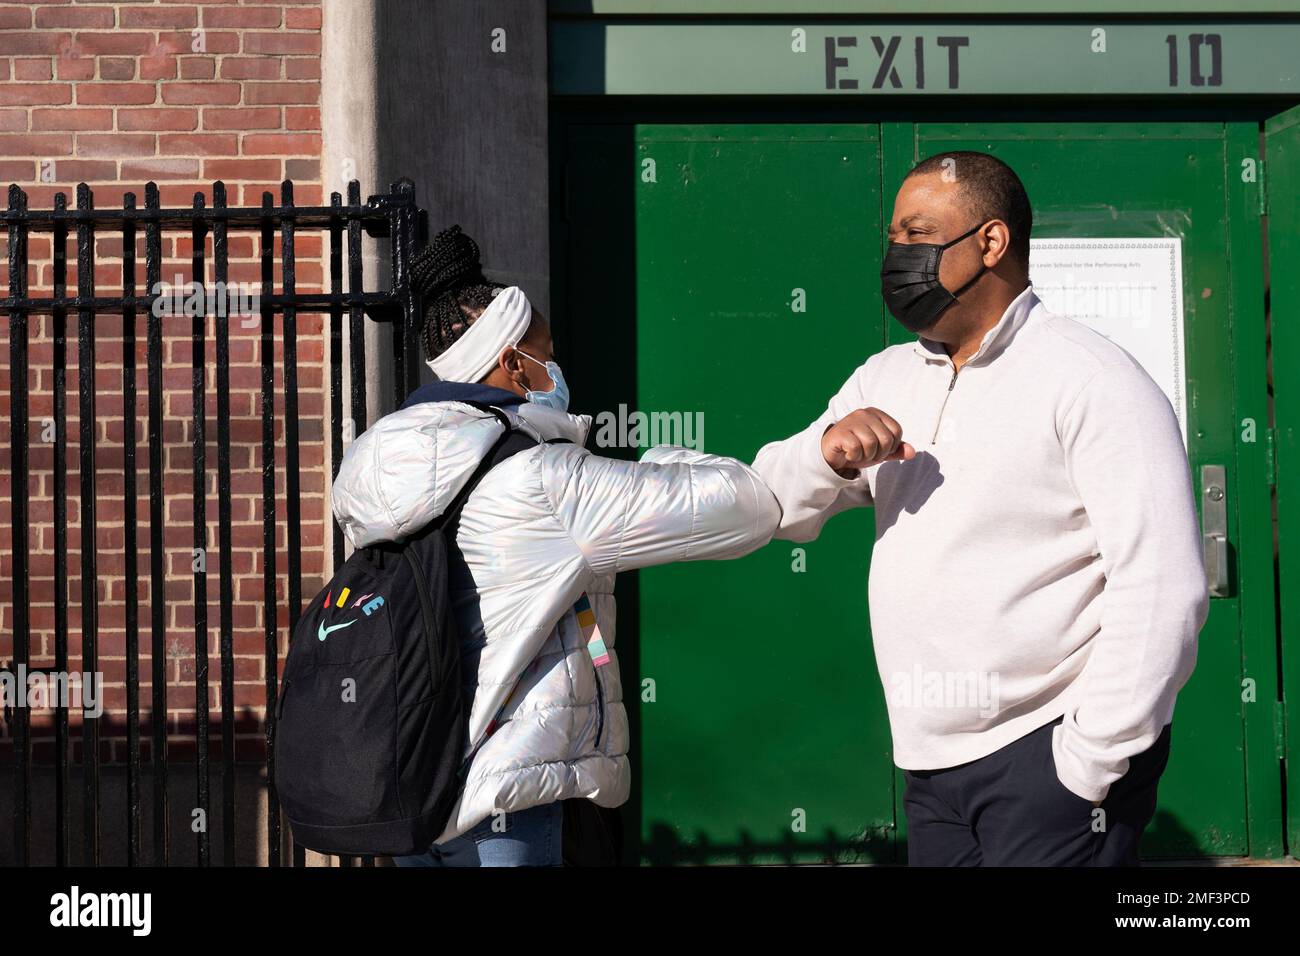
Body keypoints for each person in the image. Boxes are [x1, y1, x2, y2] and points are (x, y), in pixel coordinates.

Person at [751, 151, 1208, 866]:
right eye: (894, 238)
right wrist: (827, 455)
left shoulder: (1091, 379)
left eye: (917, 233)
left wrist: (1087, 761)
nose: (897, 254)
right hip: (930, 765)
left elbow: (1164, 587)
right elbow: (774, 505)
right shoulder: (887, 376)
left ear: (990, 244)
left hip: (1048, 756)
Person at [331, 225, 780, 866]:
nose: (557, 368)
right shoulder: (541, 476)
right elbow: (747, 509)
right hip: (513, 802)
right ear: (514, 363)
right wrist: (660, 460)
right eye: (549, 351)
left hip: (415, 791)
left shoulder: (376, 471)